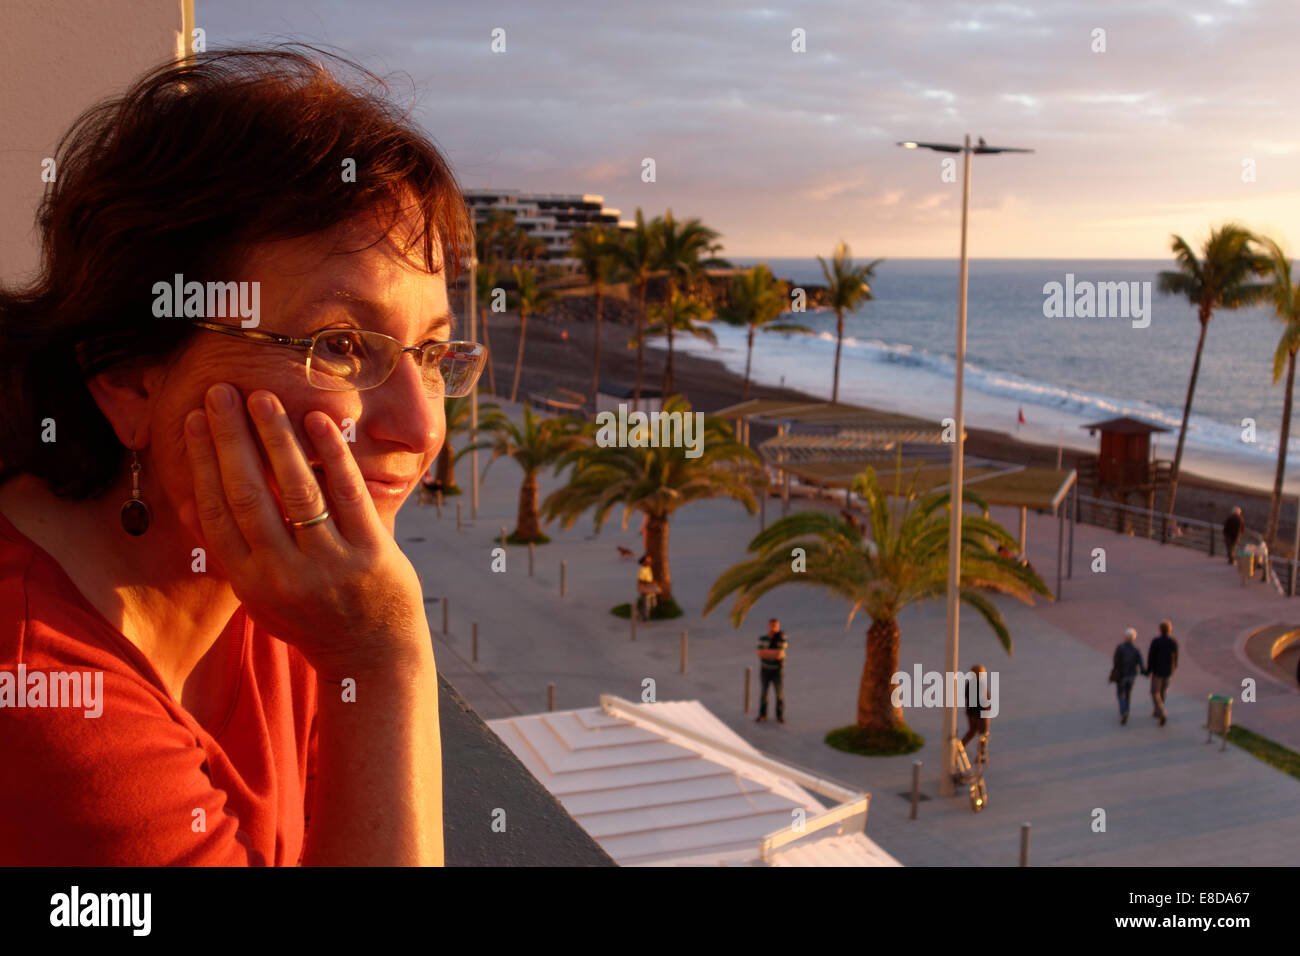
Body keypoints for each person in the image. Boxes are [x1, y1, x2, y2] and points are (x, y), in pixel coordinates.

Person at [0, 48, 488, 865]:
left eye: (434, 357)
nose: (421, 426)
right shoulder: (46, 703)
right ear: (127, 377)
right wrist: (382, 658)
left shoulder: (282, 587)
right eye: (339, 345)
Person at [1146, 620, 1179, 726]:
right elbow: (1176, 658)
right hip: (1168, 671)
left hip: (1157, 672)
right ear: (1170, 630)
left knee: (1155, 692)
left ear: (1160, 629)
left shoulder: (1156, 641)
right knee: (1163, 691)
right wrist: (1173, 668)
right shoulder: (1173, 642)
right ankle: (1158, 710)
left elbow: (1151, 657)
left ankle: (1161, 712)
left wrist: (1148, 670)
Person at [755, 618, 788, 723]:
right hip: (765, 669)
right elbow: (760, 653)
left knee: (779, 694)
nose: (774, 627)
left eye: (776, 625)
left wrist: (767, 653)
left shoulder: (781, 638)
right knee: (764, 693)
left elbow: (780, 655)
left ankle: (780, 715)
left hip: (777, 670)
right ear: (768, 626)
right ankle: (762, 715)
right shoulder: (763, 638)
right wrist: (773, 653)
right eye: (772, 625)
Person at [1111, 628, 1146, 725]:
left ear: (1126, 637)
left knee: (1120, 693)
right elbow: (1141, 664)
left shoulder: (1120, 647)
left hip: (1122, 674)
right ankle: (1127, 710)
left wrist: (1115, 670)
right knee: (1128, 693)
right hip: (1132, 675)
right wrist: (1144, 672)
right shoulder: (1136, 649)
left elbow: (1115, 660)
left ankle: (1123, 711)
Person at [960, 664, 991, 759]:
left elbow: (966, 696)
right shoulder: (980, 684)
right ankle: (981, 755)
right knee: (983, 734)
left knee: (972, 731)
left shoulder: (969, 684)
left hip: (971, 713)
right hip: (981, 713)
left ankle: (960, 747)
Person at [635, 554, 660, 621]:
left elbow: (649, 578)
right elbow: (640, 580)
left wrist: (653, 582)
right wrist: (649, 583)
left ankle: (639, 612)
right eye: (647, 561)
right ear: (643, 562)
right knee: (647, 604)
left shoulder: (648, 568)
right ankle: (644, 618)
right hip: (645, 588)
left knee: (652, 604)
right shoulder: (642, 570)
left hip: (650, 588)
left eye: (649, 560)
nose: (649, 562)